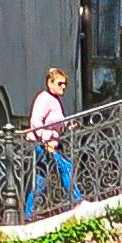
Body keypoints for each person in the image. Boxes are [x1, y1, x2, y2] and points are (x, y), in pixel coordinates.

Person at [24, 65, 83, 217]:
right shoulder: (44, 99)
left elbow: (55, 122)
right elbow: (36, 121)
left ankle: (28, 213)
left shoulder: (55, 100)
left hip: (48, 144)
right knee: (66, 167)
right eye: (59, 83)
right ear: (50, 83)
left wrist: (68, 126)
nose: (63, 87)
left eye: (65, 84)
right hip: (42, 145)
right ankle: (78, 201)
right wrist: (46, 139)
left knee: (40, 179)